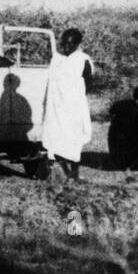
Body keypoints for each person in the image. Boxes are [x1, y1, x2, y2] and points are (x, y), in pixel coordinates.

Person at [38, 28, 95, 181]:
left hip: (73, 109)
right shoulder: (56, 59)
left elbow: (88, 84)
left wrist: (73, 98)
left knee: (73, 141)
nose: (66, 47)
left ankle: (74, 174)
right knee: (53, 139)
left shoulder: (83, 60)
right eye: (64, 43)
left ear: (77, 44)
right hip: (55, 108)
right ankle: (54, 174)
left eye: (70, 44)